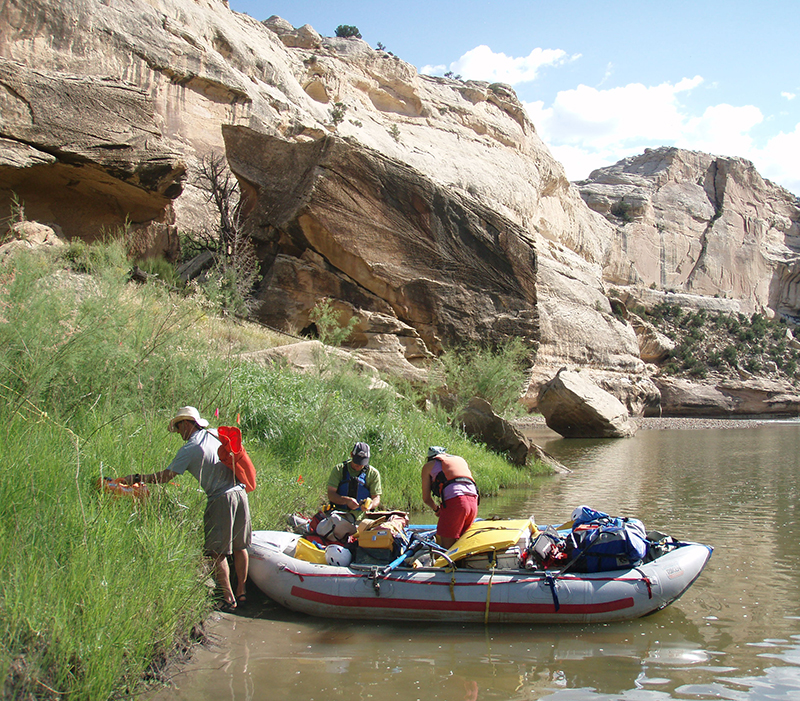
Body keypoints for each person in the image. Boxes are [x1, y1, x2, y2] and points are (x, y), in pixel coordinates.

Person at [122, 406, 251, 612]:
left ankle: (229, 599)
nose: (178, 432)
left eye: (178, 427)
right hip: (240, 492)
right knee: (240, 546)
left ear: (186, 424)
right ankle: (242, 592)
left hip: (221, 499)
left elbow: (166, 476)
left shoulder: (190, 448)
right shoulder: (215, 434)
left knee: (217, 552)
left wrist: (138, 478)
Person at [421, 446, 479, 549]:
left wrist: (437, 509)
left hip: (456, 502)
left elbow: (426, 498)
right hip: (474, 501)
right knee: (462, 545)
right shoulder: (460, 460)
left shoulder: (429, 466)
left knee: (446, 549)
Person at [326, 441, 382, 520]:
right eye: (357, 462)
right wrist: (346, 501)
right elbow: (331, 494)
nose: (359, 465)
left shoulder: (373, 474)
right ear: (351, 455)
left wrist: (370, 505)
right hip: (338, 515)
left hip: (363, 519)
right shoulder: (339, 470)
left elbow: (376, 497)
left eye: (362, 463)